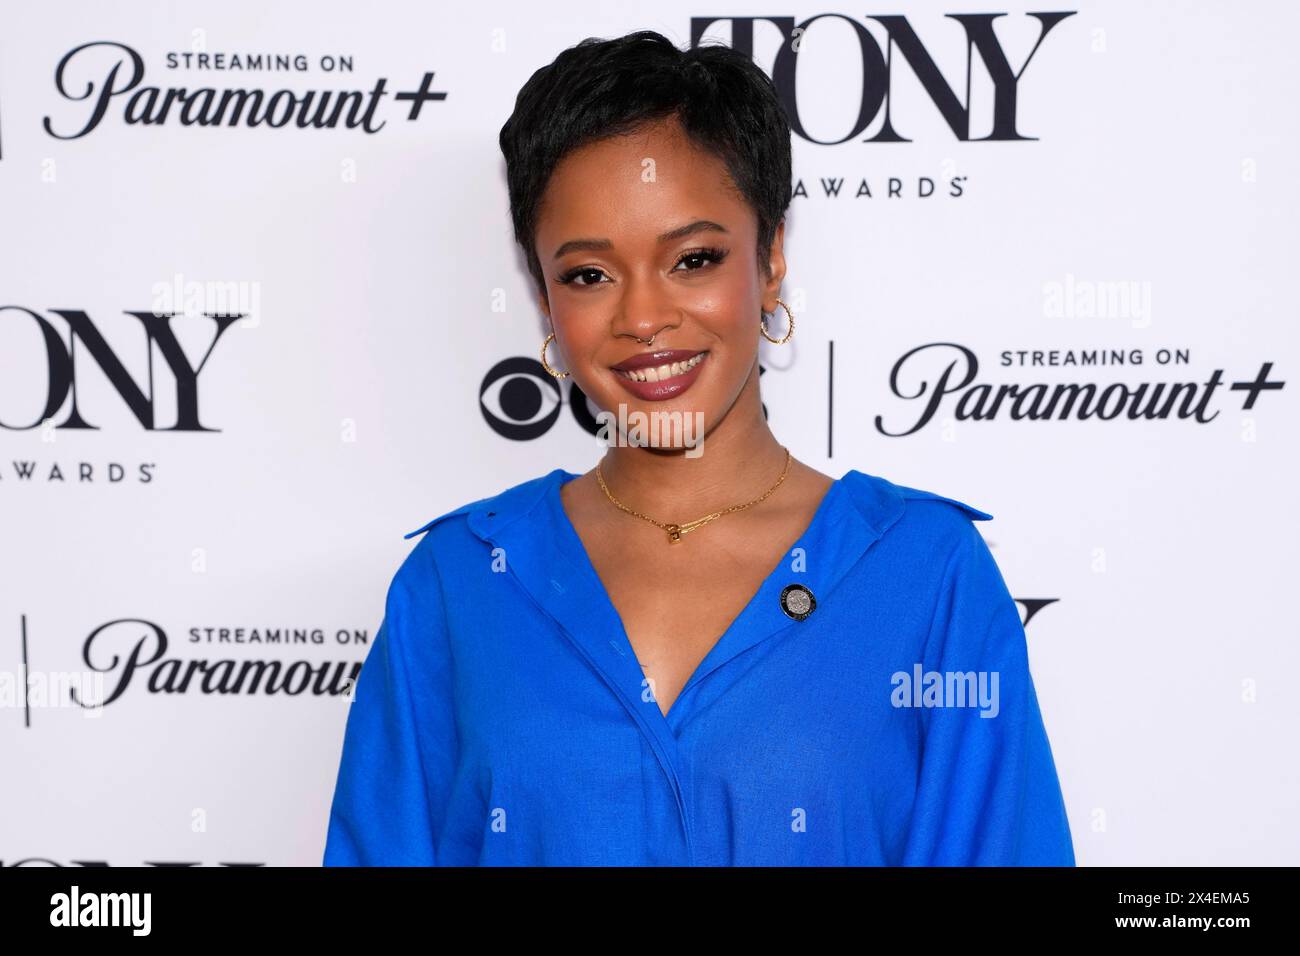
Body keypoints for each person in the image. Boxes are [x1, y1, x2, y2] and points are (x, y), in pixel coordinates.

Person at [322, 30, 1074, 866]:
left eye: (693, 259)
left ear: (772, 258)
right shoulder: (456, 583)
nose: (643, 318)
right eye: (589, 275)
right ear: (542, 298)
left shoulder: (927, 575)